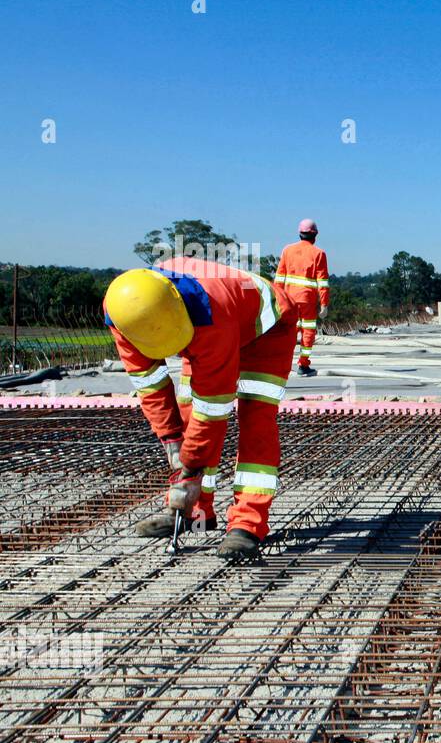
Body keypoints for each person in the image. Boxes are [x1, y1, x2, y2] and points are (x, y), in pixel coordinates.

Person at [104, 258, 298, 559]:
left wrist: (190, 468)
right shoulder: (123, 312)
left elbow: (213, 412)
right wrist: (170, 440)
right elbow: (150, 386)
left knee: (255, 420)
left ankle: (247, 525)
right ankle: (195, 514)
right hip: (206, 326)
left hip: (267, 330)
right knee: (186, 412)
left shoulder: (212, 317)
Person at [274, 218, 329, 376]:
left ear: (300, 234)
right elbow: (323, 282)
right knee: (308, 331)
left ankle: (283, 364)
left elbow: (279, 278)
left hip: (288, 299)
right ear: (315, 235)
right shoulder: (319, 254)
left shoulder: (287, 250)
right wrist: (324, 304)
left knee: (289, 332)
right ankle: (303, 365)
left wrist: (277, 300)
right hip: (307, 300)